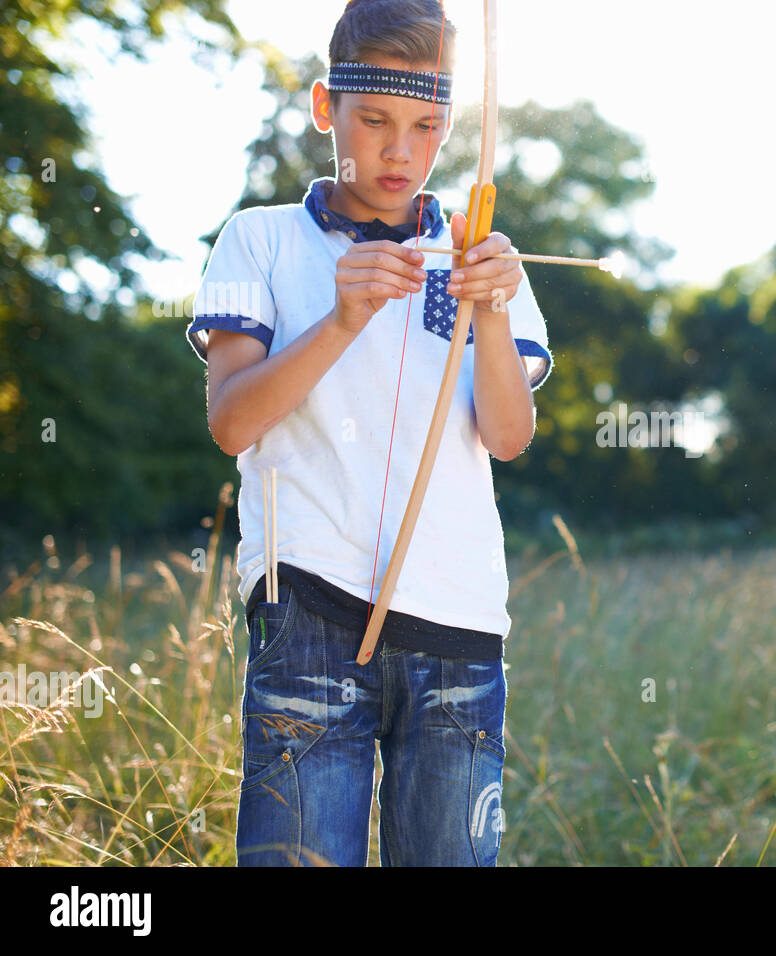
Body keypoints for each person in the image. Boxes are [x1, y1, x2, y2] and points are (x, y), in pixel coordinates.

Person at [185, 0, 551, 866]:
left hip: (458, 623)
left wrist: (490, 310)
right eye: (375, 121)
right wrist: (342, 319)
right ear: (326, 108)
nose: (399, 151)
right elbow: (233, 422)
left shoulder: (478, 257)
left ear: (452, 125)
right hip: (310, 606)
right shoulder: (263, 240)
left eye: (426, 125)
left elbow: (508, 436)